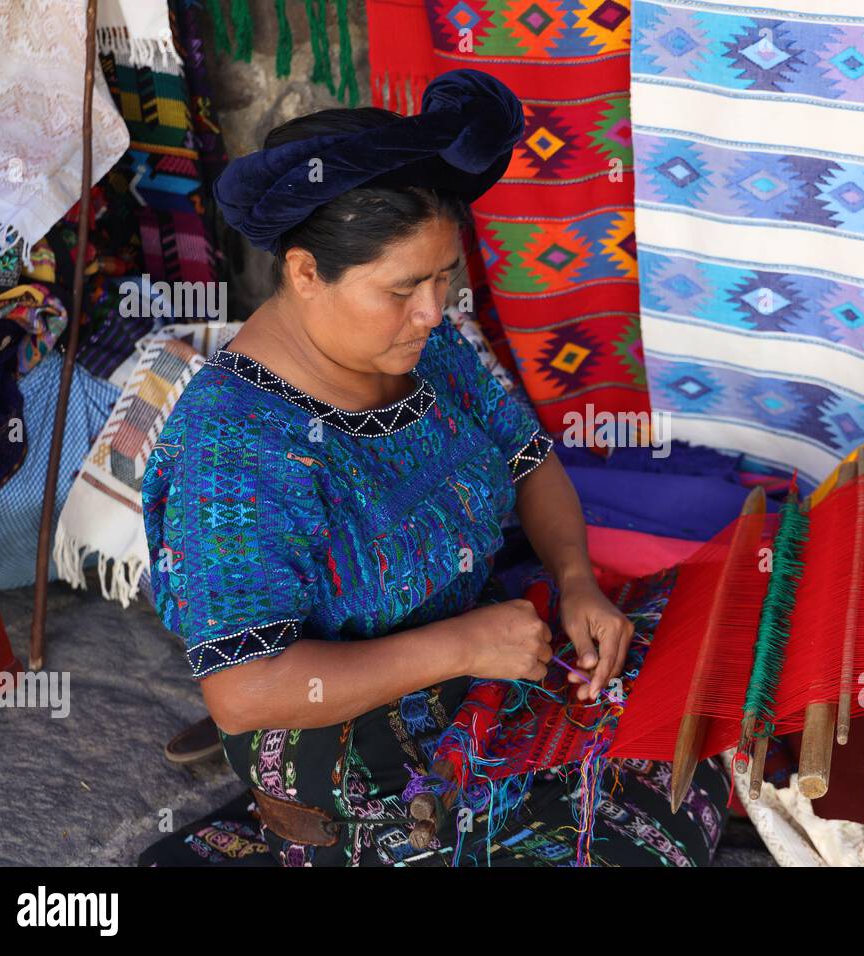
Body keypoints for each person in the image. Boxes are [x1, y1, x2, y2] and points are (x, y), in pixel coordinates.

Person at [140, 70, 728, 866]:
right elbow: (243, 692)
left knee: (700, 695)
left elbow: (530, 462)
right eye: (404, 288)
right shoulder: (237, 442)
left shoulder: (435, 345)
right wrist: (461, 648)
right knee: (621, 839)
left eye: (445, 278)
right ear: (307, 273)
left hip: (485, 656)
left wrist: (577, 579)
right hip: (335, 731)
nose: (433, 308)